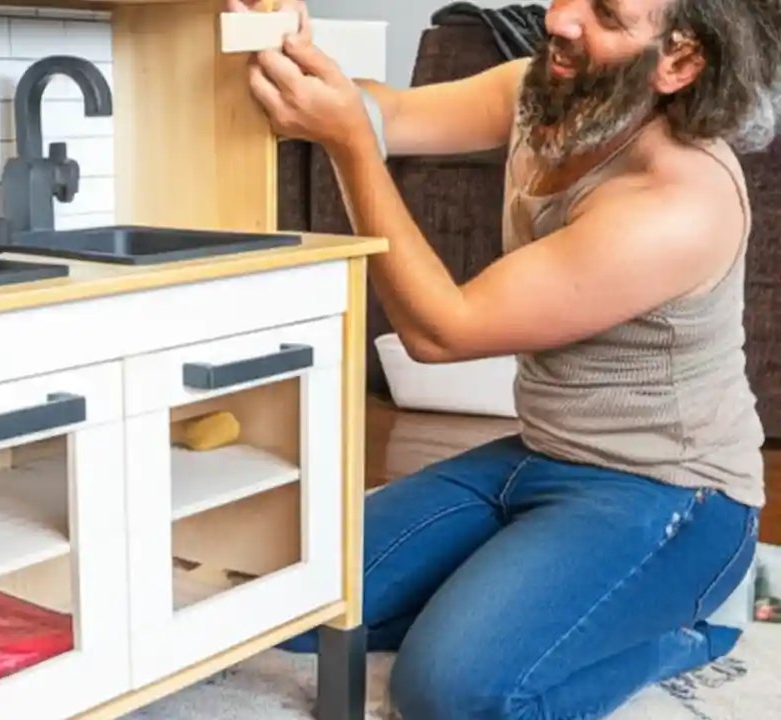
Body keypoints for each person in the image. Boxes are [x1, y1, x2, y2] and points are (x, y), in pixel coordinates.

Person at [227, 0, 778, 717]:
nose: (562, 19)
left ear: (679, 61)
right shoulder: (541, 92)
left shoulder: (677, 201)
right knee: (289, 601)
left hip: (673, 497)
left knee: (445, 693)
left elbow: (441, 333)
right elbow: (390, 113)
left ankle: (691, 631)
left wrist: (349, 145)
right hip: (539, 454)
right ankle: (503, 605)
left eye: (606, 15)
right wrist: (297, 61)